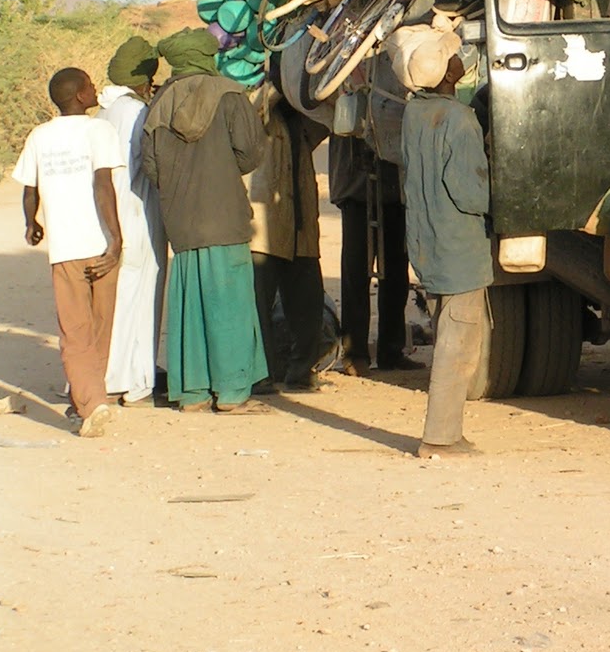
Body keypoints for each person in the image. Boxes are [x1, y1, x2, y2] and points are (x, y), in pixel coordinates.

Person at [142, 28, 269, 413]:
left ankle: (193, 391)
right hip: (225, 213)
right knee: (229, 303)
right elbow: (250, 153)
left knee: (189, 306)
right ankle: (231, 393)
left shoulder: (158, 102)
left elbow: (150, 167)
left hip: (181, 221)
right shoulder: (230, 94)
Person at [13, 67, 125, 437]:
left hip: (65, 247)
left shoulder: (39, 136)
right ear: (79, 94)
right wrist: (115, 238)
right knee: (99, 326)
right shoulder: (99, 130)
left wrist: (32, 223)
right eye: (91, 86)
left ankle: (89, 402)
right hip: (100, 245)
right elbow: (102, 184)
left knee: (75, 330)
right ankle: (93, 402)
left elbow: (30, 188)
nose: (95, 91)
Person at [396, 28, 492, 457]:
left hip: (426, 239)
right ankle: (440, 437)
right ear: (443, 72)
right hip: (459, 244)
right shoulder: (459, 120)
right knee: (458, 343)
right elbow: (470, 192)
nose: (460, 59)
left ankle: (448, 431)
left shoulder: (414, 113)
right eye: (452, 56)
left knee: (447, 333)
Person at [97, 37, 167, 408]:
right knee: (141, 294)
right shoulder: (135, 111)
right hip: (137, 211)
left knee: (117, 296)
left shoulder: (105, 110)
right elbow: (147, 162)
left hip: (110, 213)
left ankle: (110, 372)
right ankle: (137, 378)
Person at [247, 88, 329, 391]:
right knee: (259, 304)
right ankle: (261, 373)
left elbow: (327, 120)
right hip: (264, 229)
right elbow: (256, 107)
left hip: (300, 225)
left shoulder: (300, 119)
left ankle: (301, 369)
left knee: (309, 301)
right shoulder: (257, 112)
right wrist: (280, 83)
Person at [330, 134, 420, 375]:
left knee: (396, 275)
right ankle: (354, 353)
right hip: (356, 188)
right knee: (355, 272)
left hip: (394, 188)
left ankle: (391, 351)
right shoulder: (341, 95)